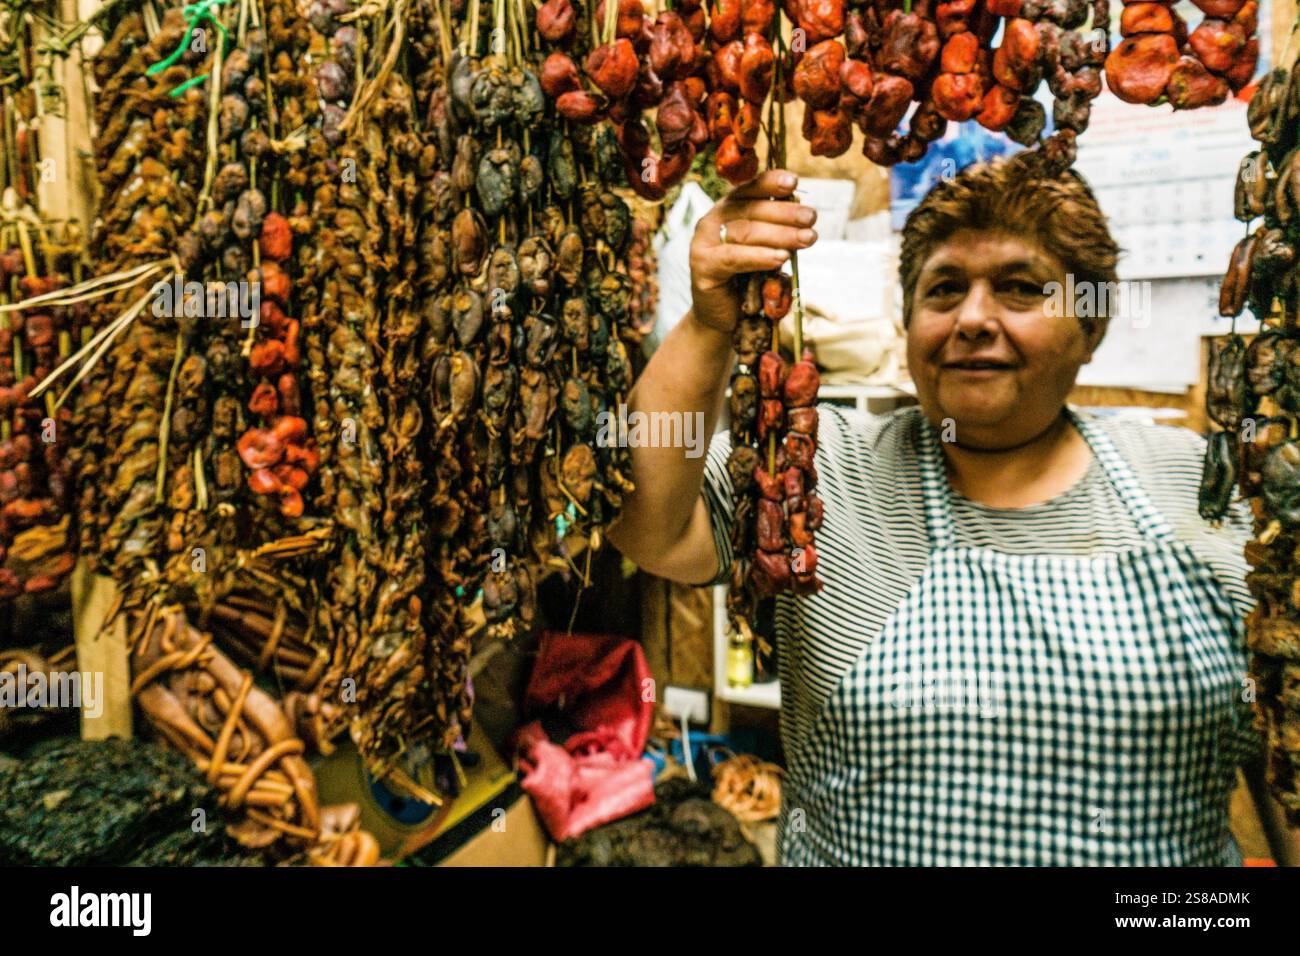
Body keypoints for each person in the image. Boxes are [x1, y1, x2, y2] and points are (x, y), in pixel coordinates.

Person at [607, 154, 1300, 866]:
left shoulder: (1204, 486)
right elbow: (645, 525)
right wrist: (708, 322)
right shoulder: (821, 469)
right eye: (943, 290)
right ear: (908, 326)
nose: (973, 318)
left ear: (1091, 328)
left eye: (1019, 289)